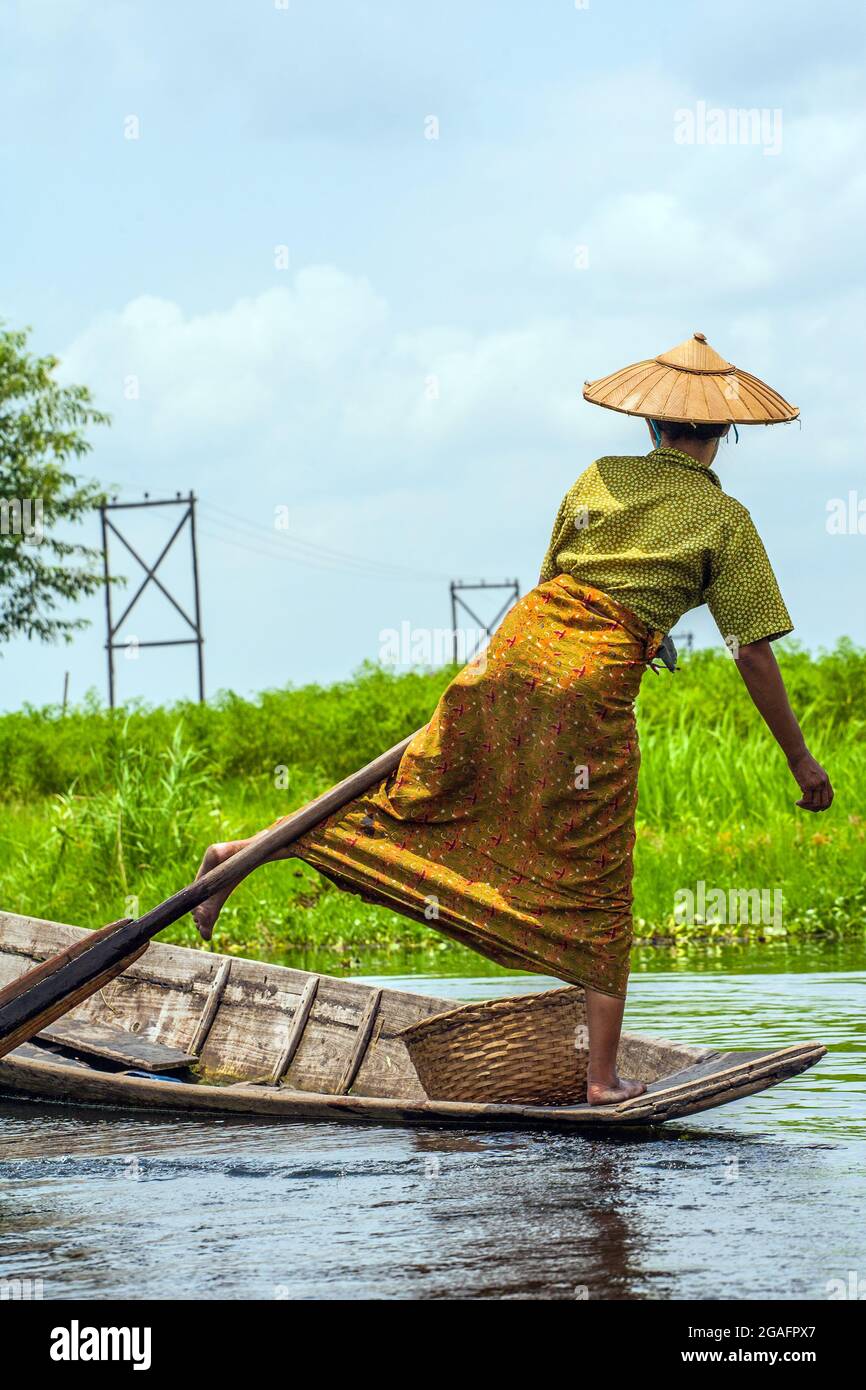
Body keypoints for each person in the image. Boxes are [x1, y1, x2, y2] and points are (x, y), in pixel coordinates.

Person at [192, 332, 833, 1105]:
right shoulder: (725, 520)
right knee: (597, 876)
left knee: (410, 802)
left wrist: (640, 632)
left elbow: (561, 583)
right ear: (722, 434)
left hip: (512, 654)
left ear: (651, 427)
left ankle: (239, 853)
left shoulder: (597, 477)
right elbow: (752, 651)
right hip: (588, 692)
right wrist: (800, 760)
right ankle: (599, 1080)